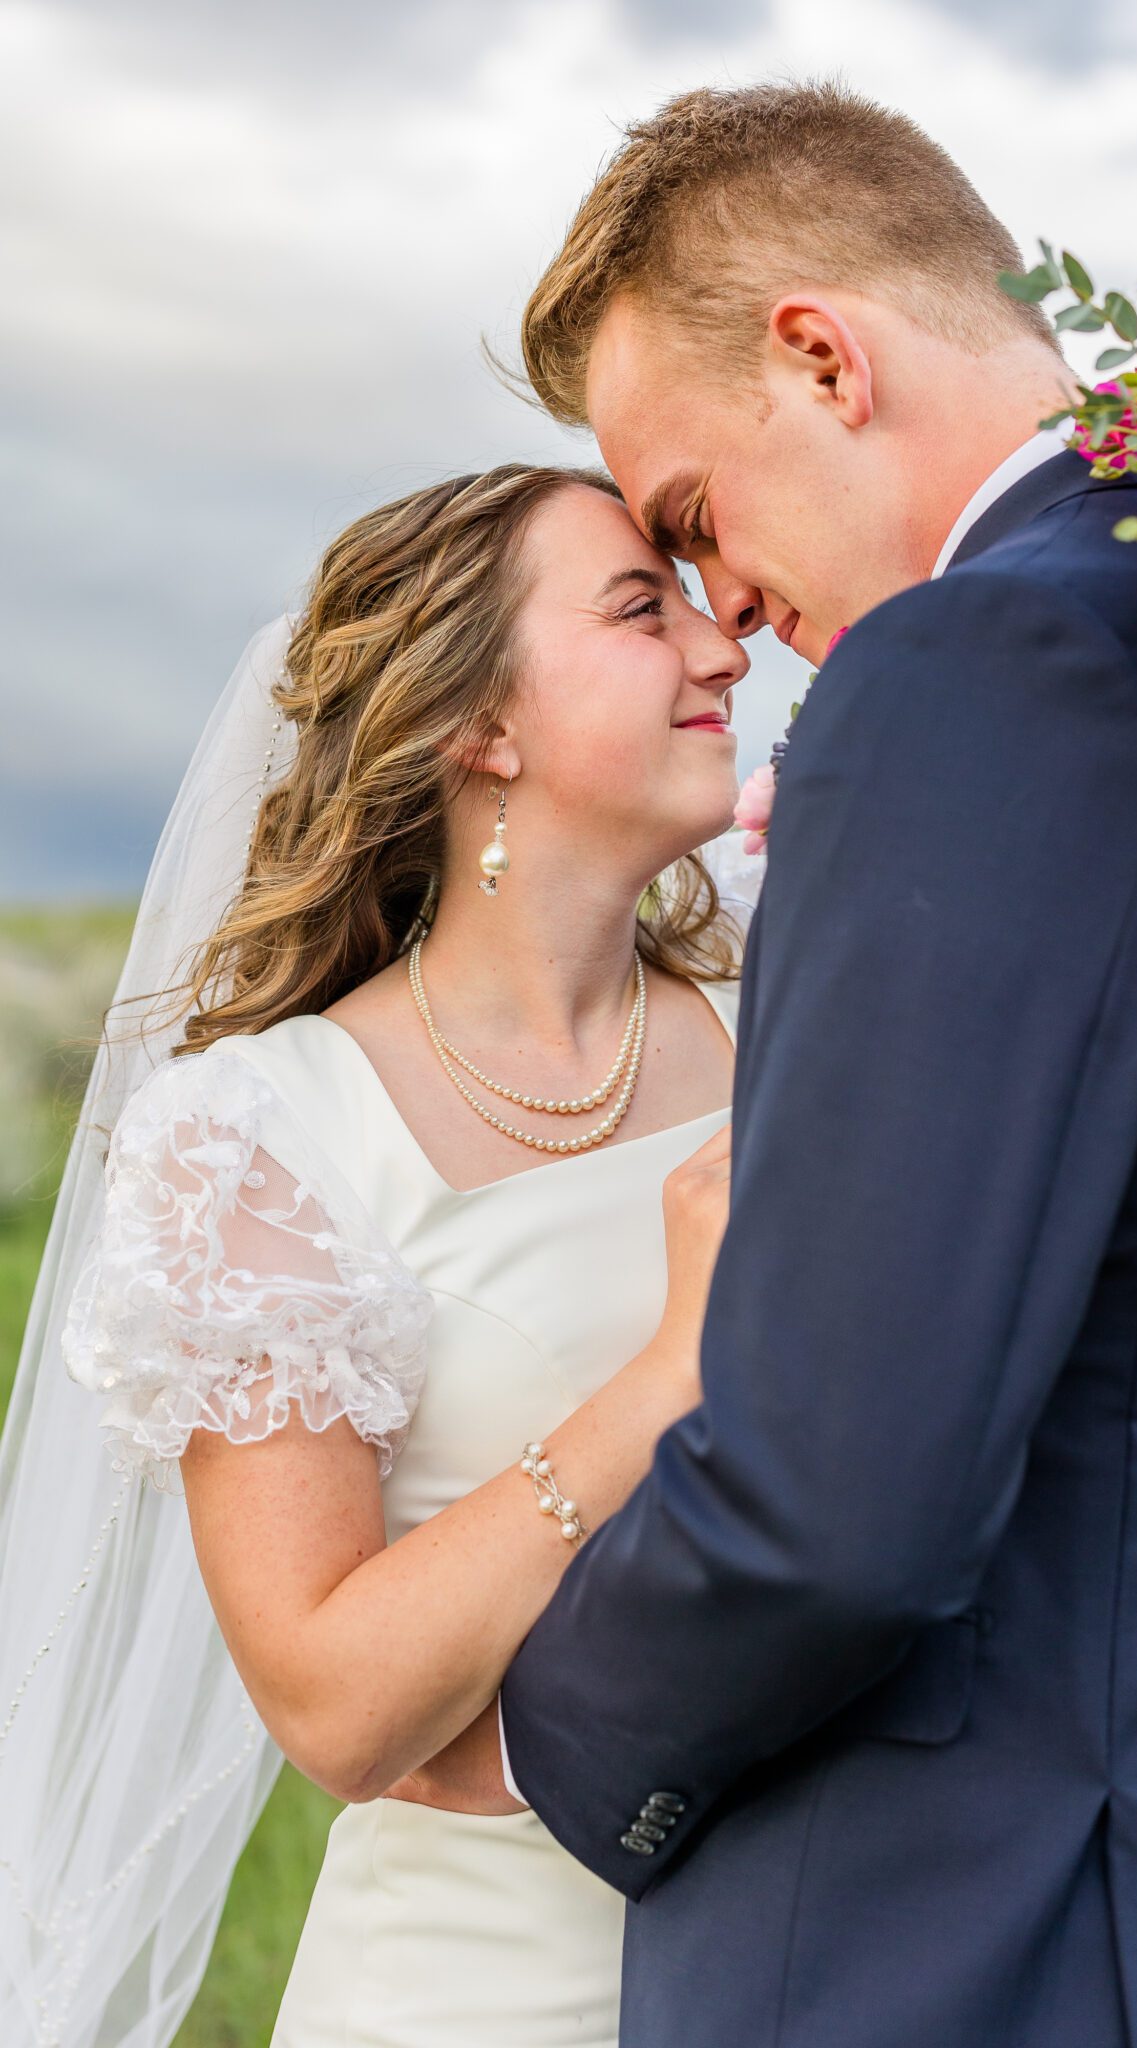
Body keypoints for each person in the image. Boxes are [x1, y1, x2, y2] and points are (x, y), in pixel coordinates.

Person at [431, 82, 1137, 2048]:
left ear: (821, 357)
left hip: (988, 1943)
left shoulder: (971, 675)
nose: (727, 618)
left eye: (690, 517)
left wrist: (548, 1735)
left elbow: (844, 1490)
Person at [0, 462, 760, 2047]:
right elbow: (339, 1704)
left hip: (836, 1950)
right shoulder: (264, 1138)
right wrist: (673, 1375)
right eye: (640, 608)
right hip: (482, 1988)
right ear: (475, 727)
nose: (721, 648)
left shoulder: (797, 1025)